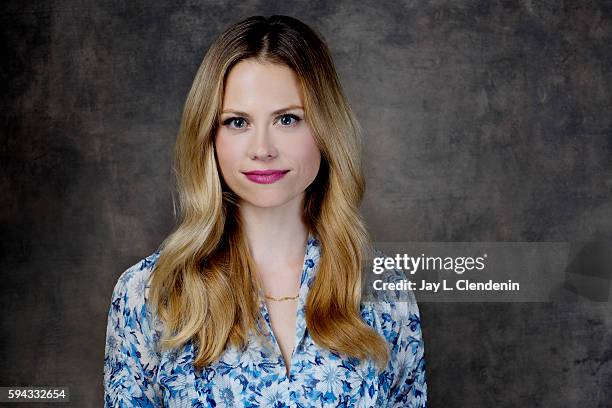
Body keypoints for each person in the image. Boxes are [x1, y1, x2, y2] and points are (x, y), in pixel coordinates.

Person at [104, 14, 427, 407]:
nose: (262, 148)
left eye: (287, 119)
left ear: (326, 131)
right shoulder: (147, 294)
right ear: (209, 136)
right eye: (237, 121)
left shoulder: (385, 293)